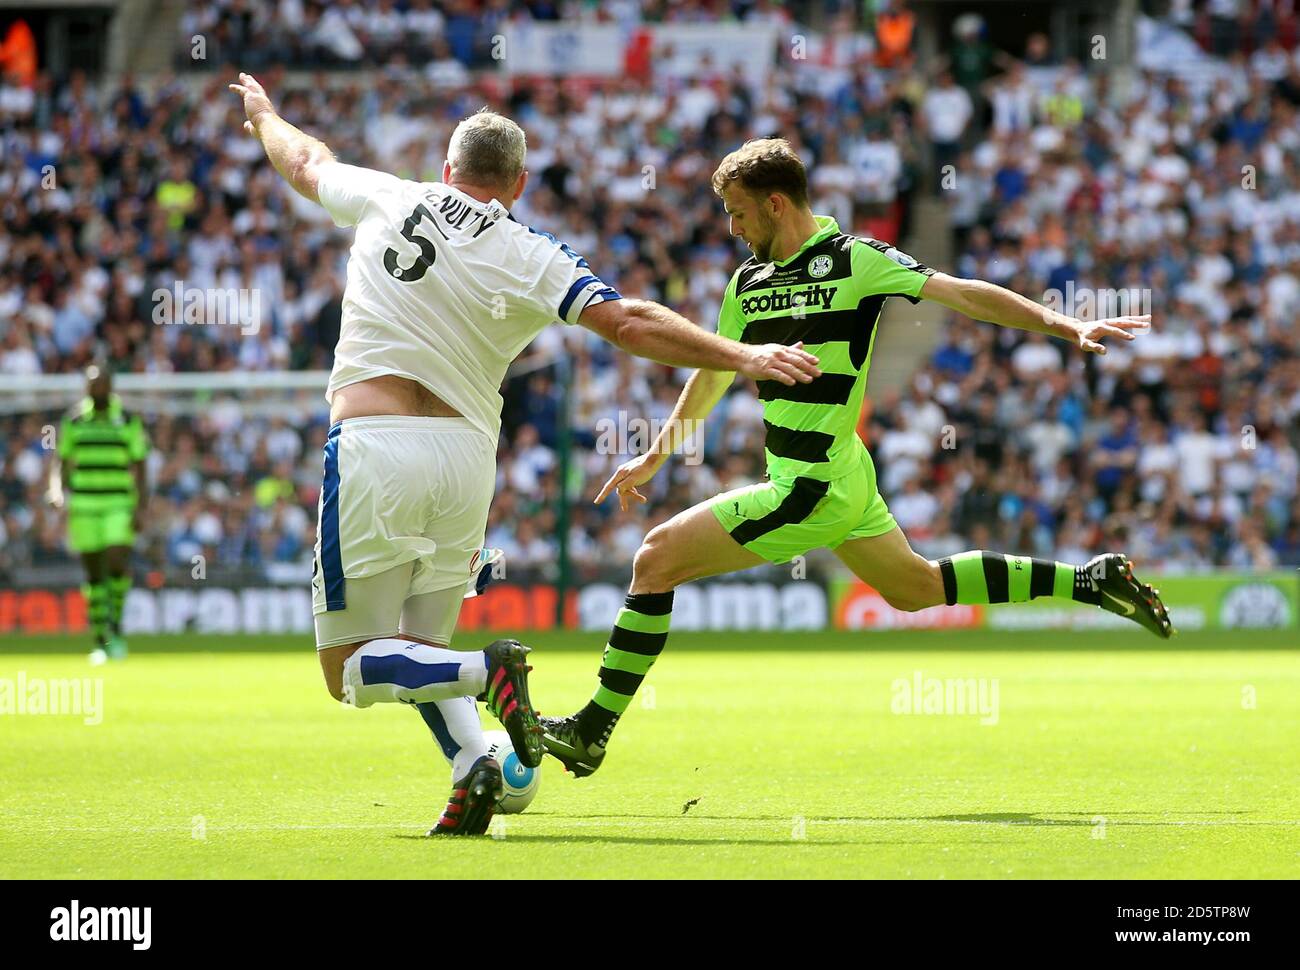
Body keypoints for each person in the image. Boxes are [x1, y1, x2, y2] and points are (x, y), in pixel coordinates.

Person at [227, 77, 821, 834]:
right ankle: (474, 766)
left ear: (447, 169)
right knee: (416, 648)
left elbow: (305, 160)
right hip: (468, 459)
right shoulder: (535, 253)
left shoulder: (389, 195)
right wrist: (744, 354)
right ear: (518, 184)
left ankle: (488, 672)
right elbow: (632, 323)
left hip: (376, 446)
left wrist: (265, 115)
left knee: (349, 669)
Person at [541, 138, 1173, 778]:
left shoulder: (855, 261)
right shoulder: (747, 283)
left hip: (815, 484)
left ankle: (591, 730)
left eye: (737, 213)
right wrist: (654, 456)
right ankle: (1090, 582)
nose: (731, 229)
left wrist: (1066, 325)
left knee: (655, 558)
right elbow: (711, 375)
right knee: (916, 587)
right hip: (836, 476)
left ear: (776, 204)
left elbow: (962, 293)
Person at [48, 364, 149, 664]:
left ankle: (116, 627)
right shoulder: (75, 419)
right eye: (92, 383)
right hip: (85, 505)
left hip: (118, 502)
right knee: (93, 574)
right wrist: (56, 490)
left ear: (111, 385)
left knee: (117, 560)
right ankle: (101, 638)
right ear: (87, 387)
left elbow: (140, 466)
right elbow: (61, 461)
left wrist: (141, 507)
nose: (97, 388)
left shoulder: (128, 420)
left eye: (102, 383)